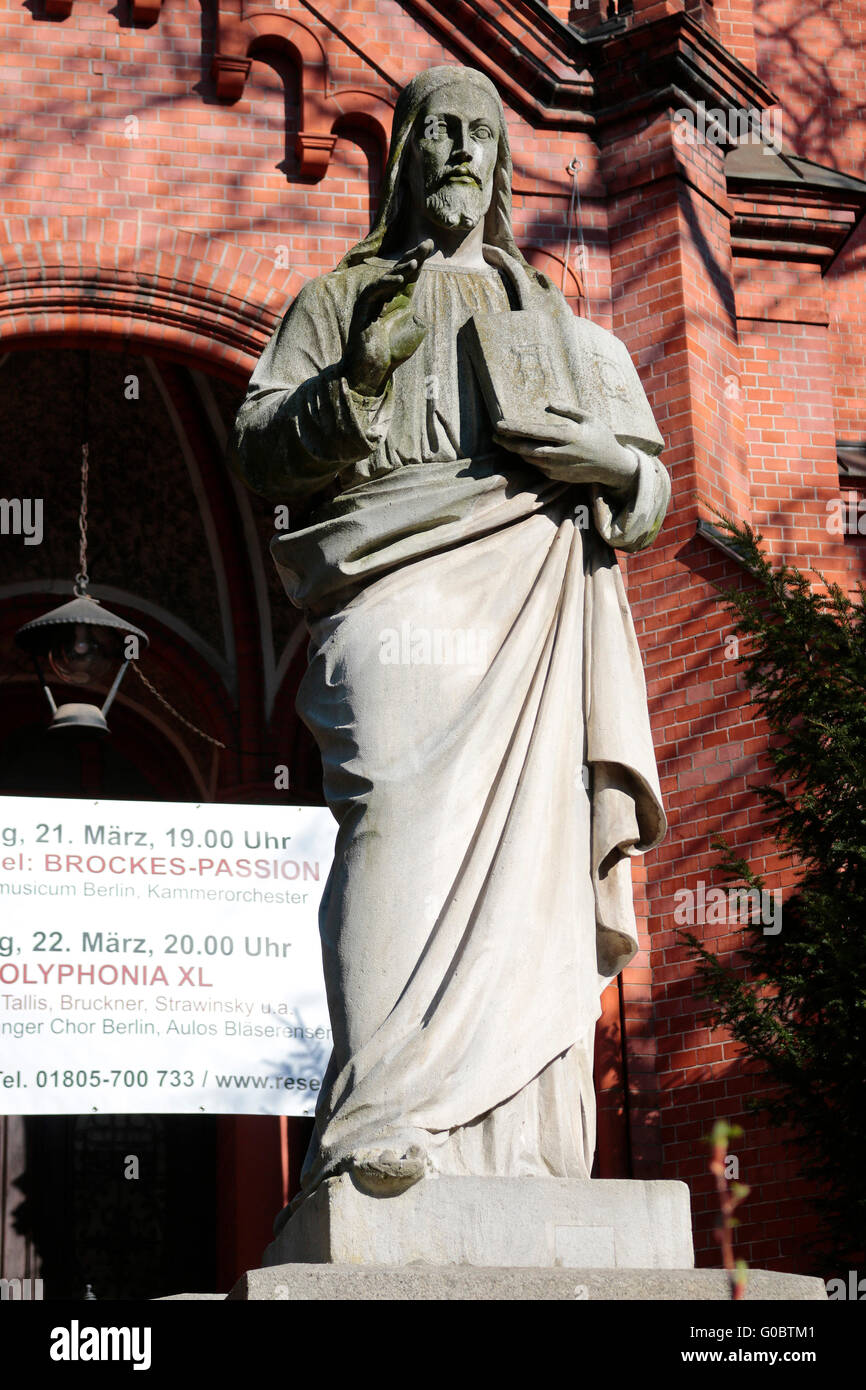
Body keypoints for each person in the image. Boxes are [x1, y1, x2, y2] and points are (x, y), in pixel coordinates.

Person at [230, 64, 670, 1206]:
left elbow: (648, 486)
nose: (463, 150)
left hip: (529, 589)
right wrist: (359, 378)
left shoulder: (553, 322)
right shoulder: (336, 302)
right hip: (389, 586)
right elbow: (263, 451)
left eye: (484, 133)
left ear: (499, 168)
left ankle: (516, 1138)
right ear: (406, 156)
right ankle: (380, 1112)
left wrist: (607, 464)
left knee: (533, 853)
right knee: (387, 810)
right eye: (441, 133)